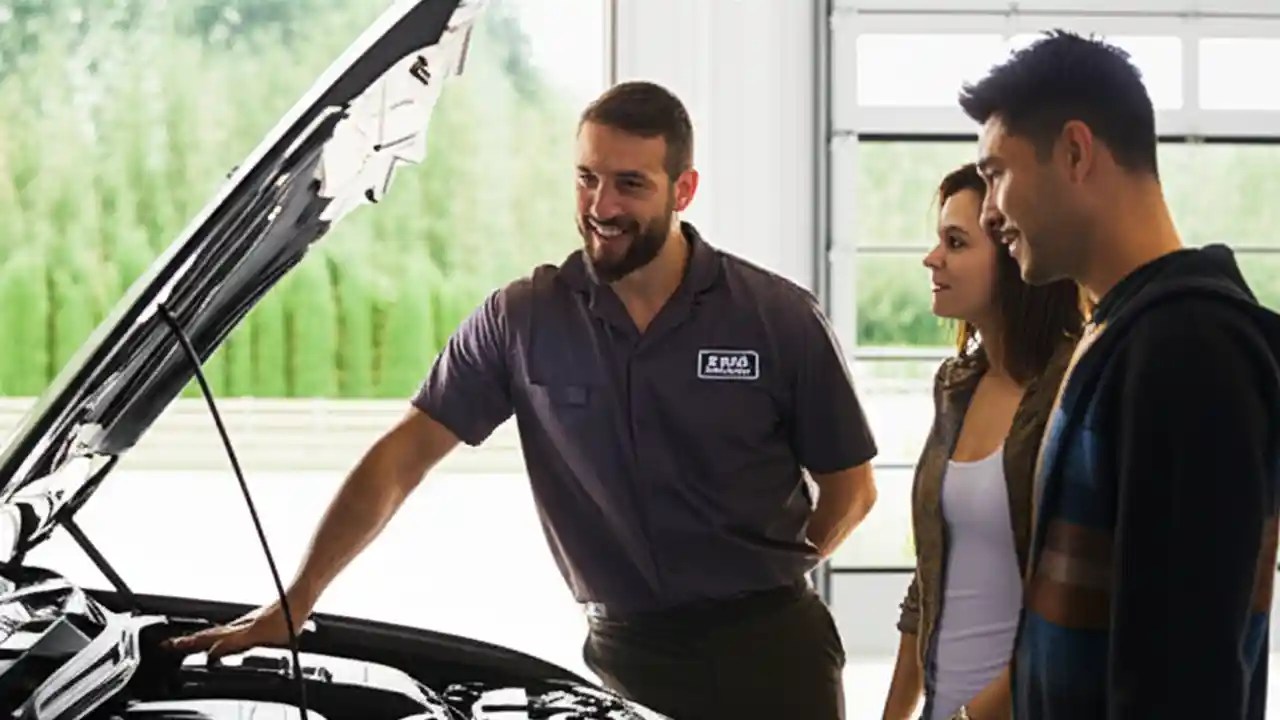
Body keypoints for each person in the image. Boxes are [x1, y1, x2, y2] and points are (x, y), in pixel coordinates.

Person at [166, 80, 879, 720]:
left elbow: (852, 491)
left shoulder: (777, 318)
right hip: (625, 658)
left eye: (630, 184)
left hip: (772, 658)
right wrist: (297, 600)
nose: (602, 206)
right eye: (587, 178)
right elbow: (399, 461)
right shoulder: (523, 320)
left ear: (683, 190)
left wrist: (764, 581)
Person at [958, 30, 1280, 719]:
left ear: (1076, 152)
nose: (989, 211)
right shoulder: (1122, 331)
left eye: (996, 173)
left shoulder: (1190, 349)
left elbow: (1185, 675)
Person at [880, 163, 1082, 720]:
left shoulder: (1072, 390)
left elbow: (1072, 604)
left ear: (1014, 255)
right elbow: (928, 581)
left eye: (956, 242)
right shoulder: (956, 386)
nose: (932, 258)